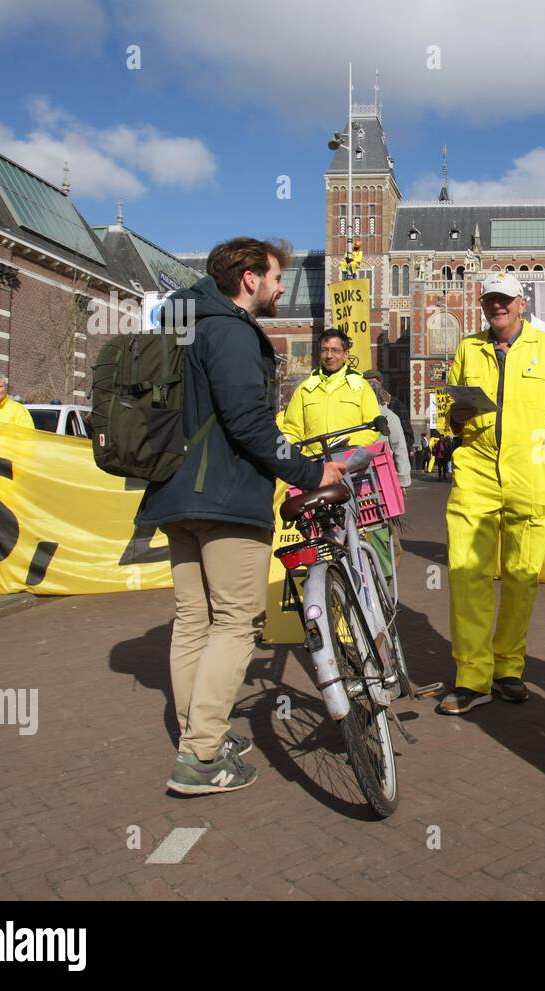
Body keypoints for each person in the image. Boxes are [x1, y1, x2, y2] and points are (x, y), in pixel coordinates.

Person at [138, 237, 345, 796]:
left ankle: (196, 734)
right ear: (250, 278)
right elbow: (248, 422)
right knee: (237, 621)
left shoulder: (179, 322)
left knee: (193, 619)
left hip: (175, 495)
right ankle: (201, 757)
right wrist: (309, 472)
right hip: (223, 496)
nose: (282, 287)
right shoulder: (228, 330)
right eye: (276, 277)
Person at [439, 272, 545, 714]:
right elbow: (446, 411)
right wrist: (454, 420)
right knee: (467, 575)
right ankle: (471, 676)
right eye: (488, 301)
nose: (495, 307)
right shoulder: (467, 348)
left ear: (521, 302)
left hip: (528, 474)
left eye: (503, 300)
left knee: (522, 576)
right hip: (476, 472)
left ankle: (509, 667)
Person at [280, 329, 381, 449]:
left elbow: (374, 427)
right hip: (314, 463)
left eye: (335, 350)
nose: (329, 355)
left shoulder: (361, 386)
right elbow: (291, 430)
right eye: (324, 350)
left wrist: (346, 445)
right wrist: (294, 454)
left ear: (346, 355)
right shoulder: (304, 389)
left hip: (350, 462)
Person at [363, 371, 412, 488]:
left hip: (381, 468)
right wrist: (402, 480)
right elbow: (401, 445)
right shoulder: (390, 414)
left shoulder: (391, 413)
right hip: (382, 468)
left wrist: (402, 479)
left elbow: (401, 443)